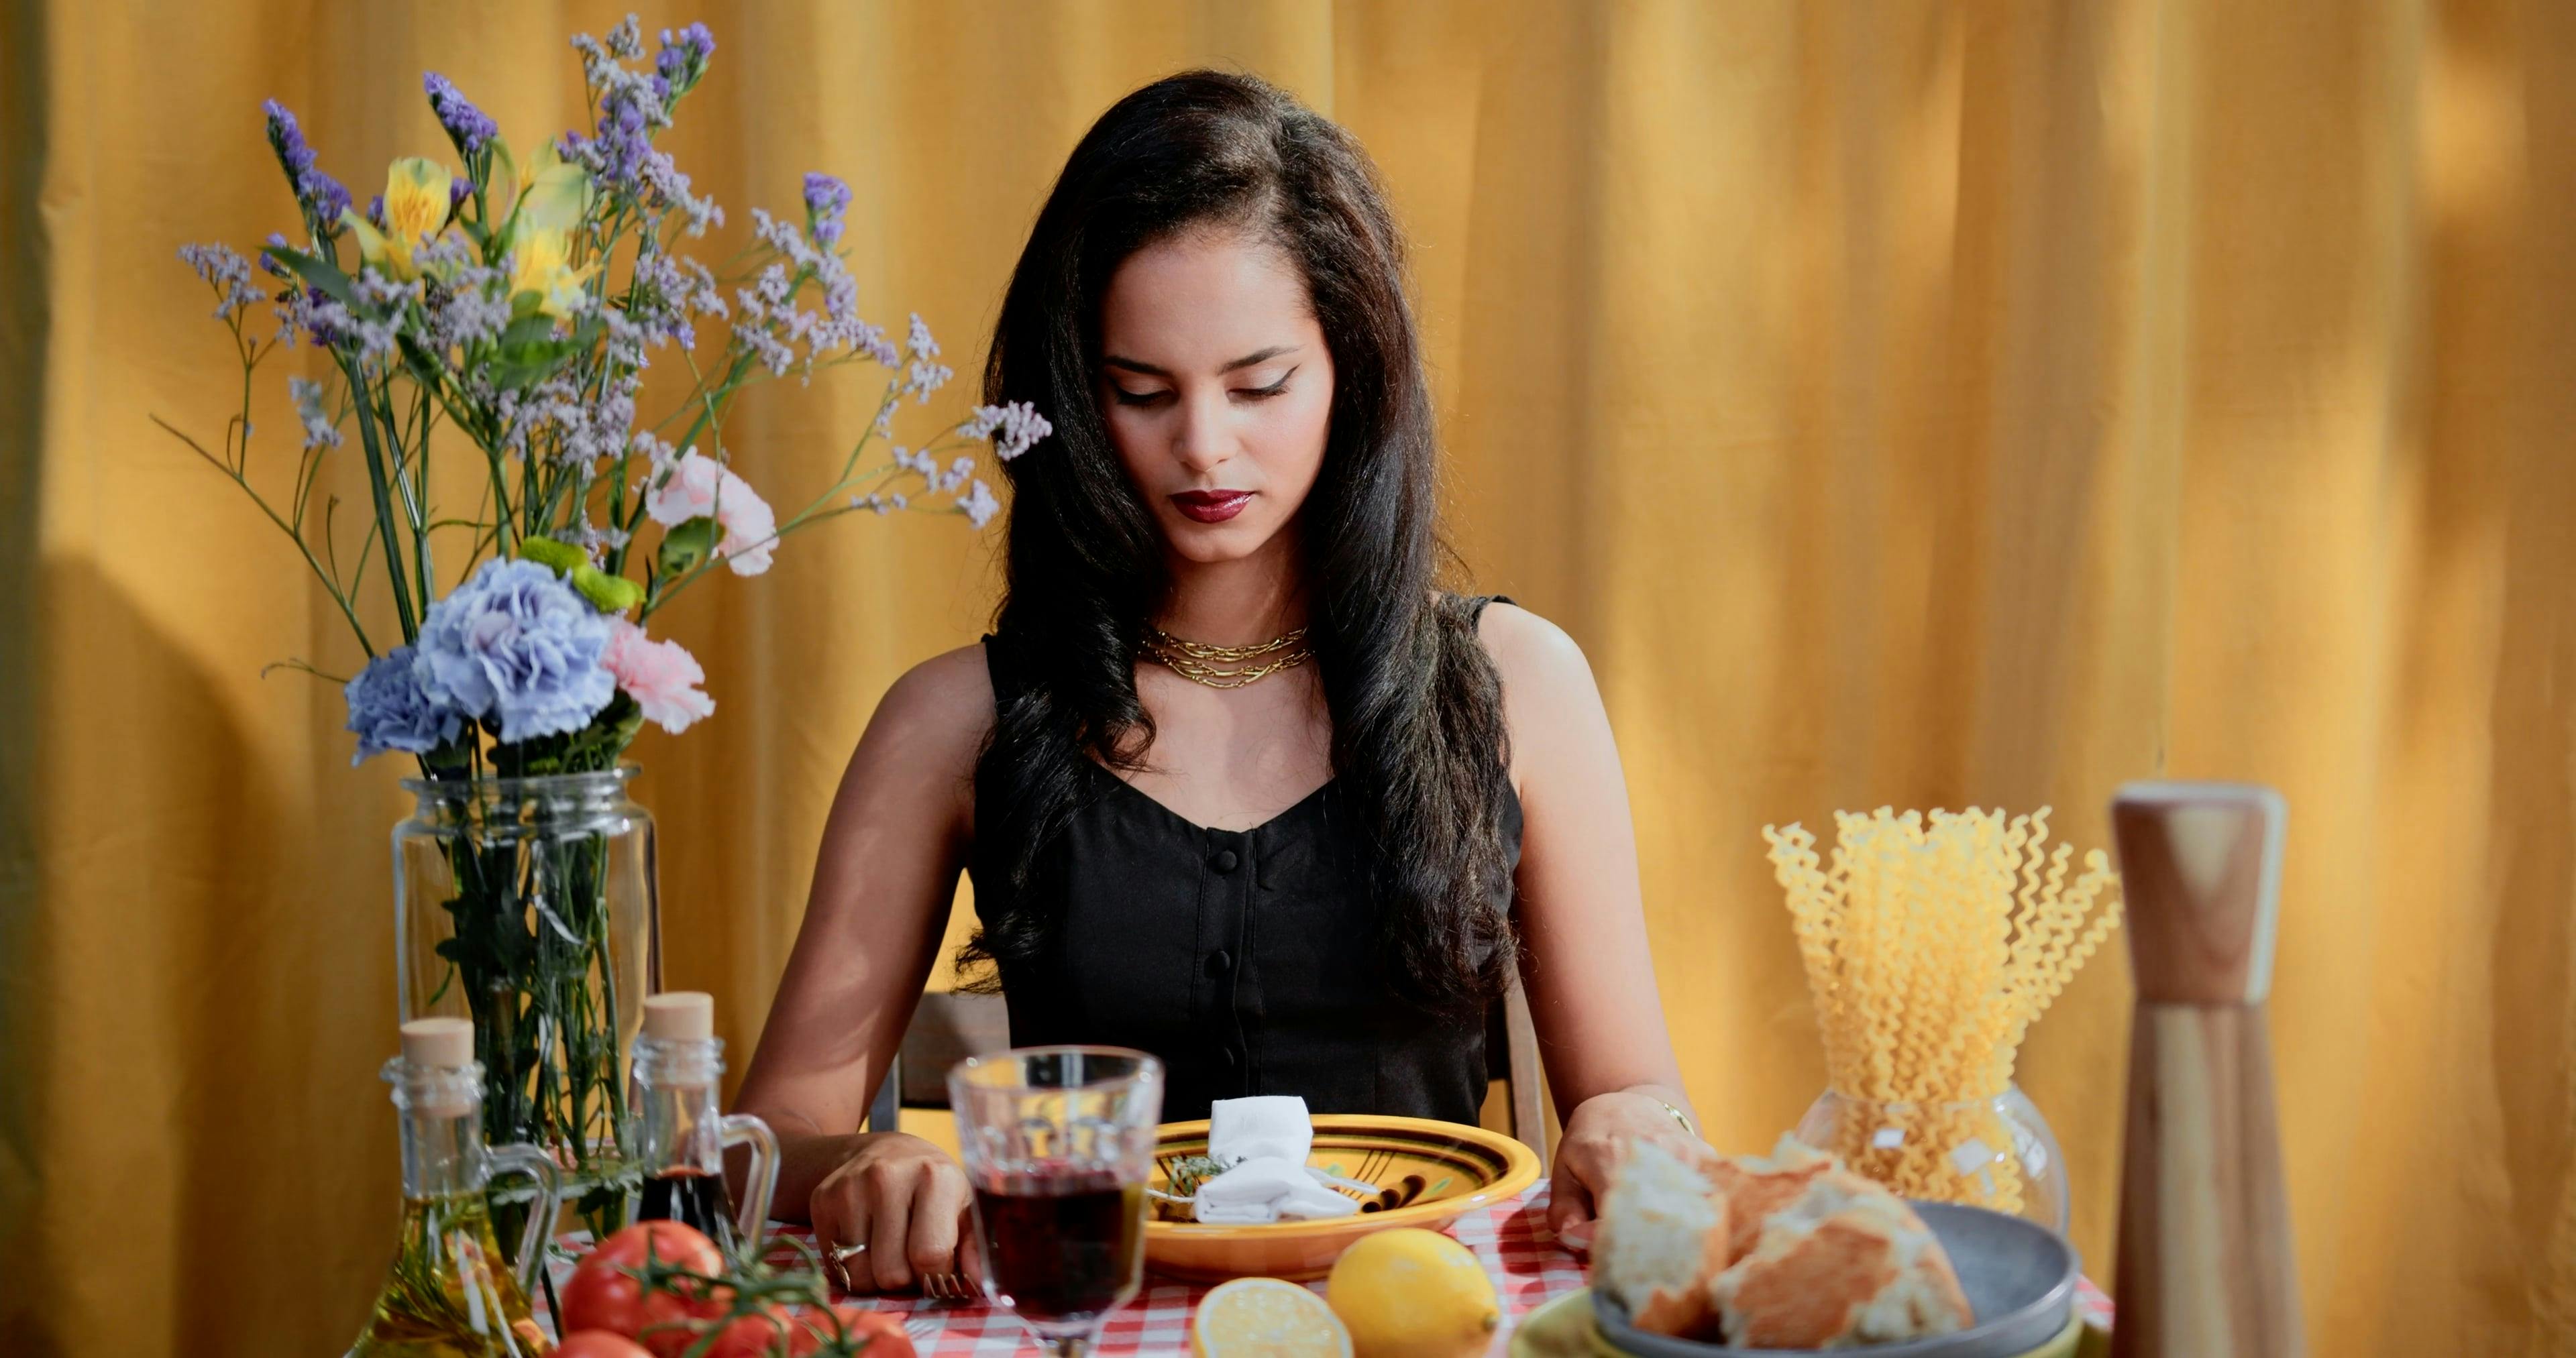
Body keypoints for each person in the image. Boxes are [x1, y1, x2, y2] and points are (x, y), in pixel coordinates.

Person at [735, 68, 1707, 1296]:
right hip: (1083, 1323)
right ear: (1072, 397)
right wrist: (861, 1155)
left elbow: (1639, 1091)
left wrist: (1633, 1125)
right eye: (1141, 393)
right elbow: (764, 1142)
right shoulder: (953, 722)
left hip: (1414, 1322)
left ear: (1353, 371)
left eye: (1259, 386)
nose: (1203, 446)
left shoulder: (1517, 686)